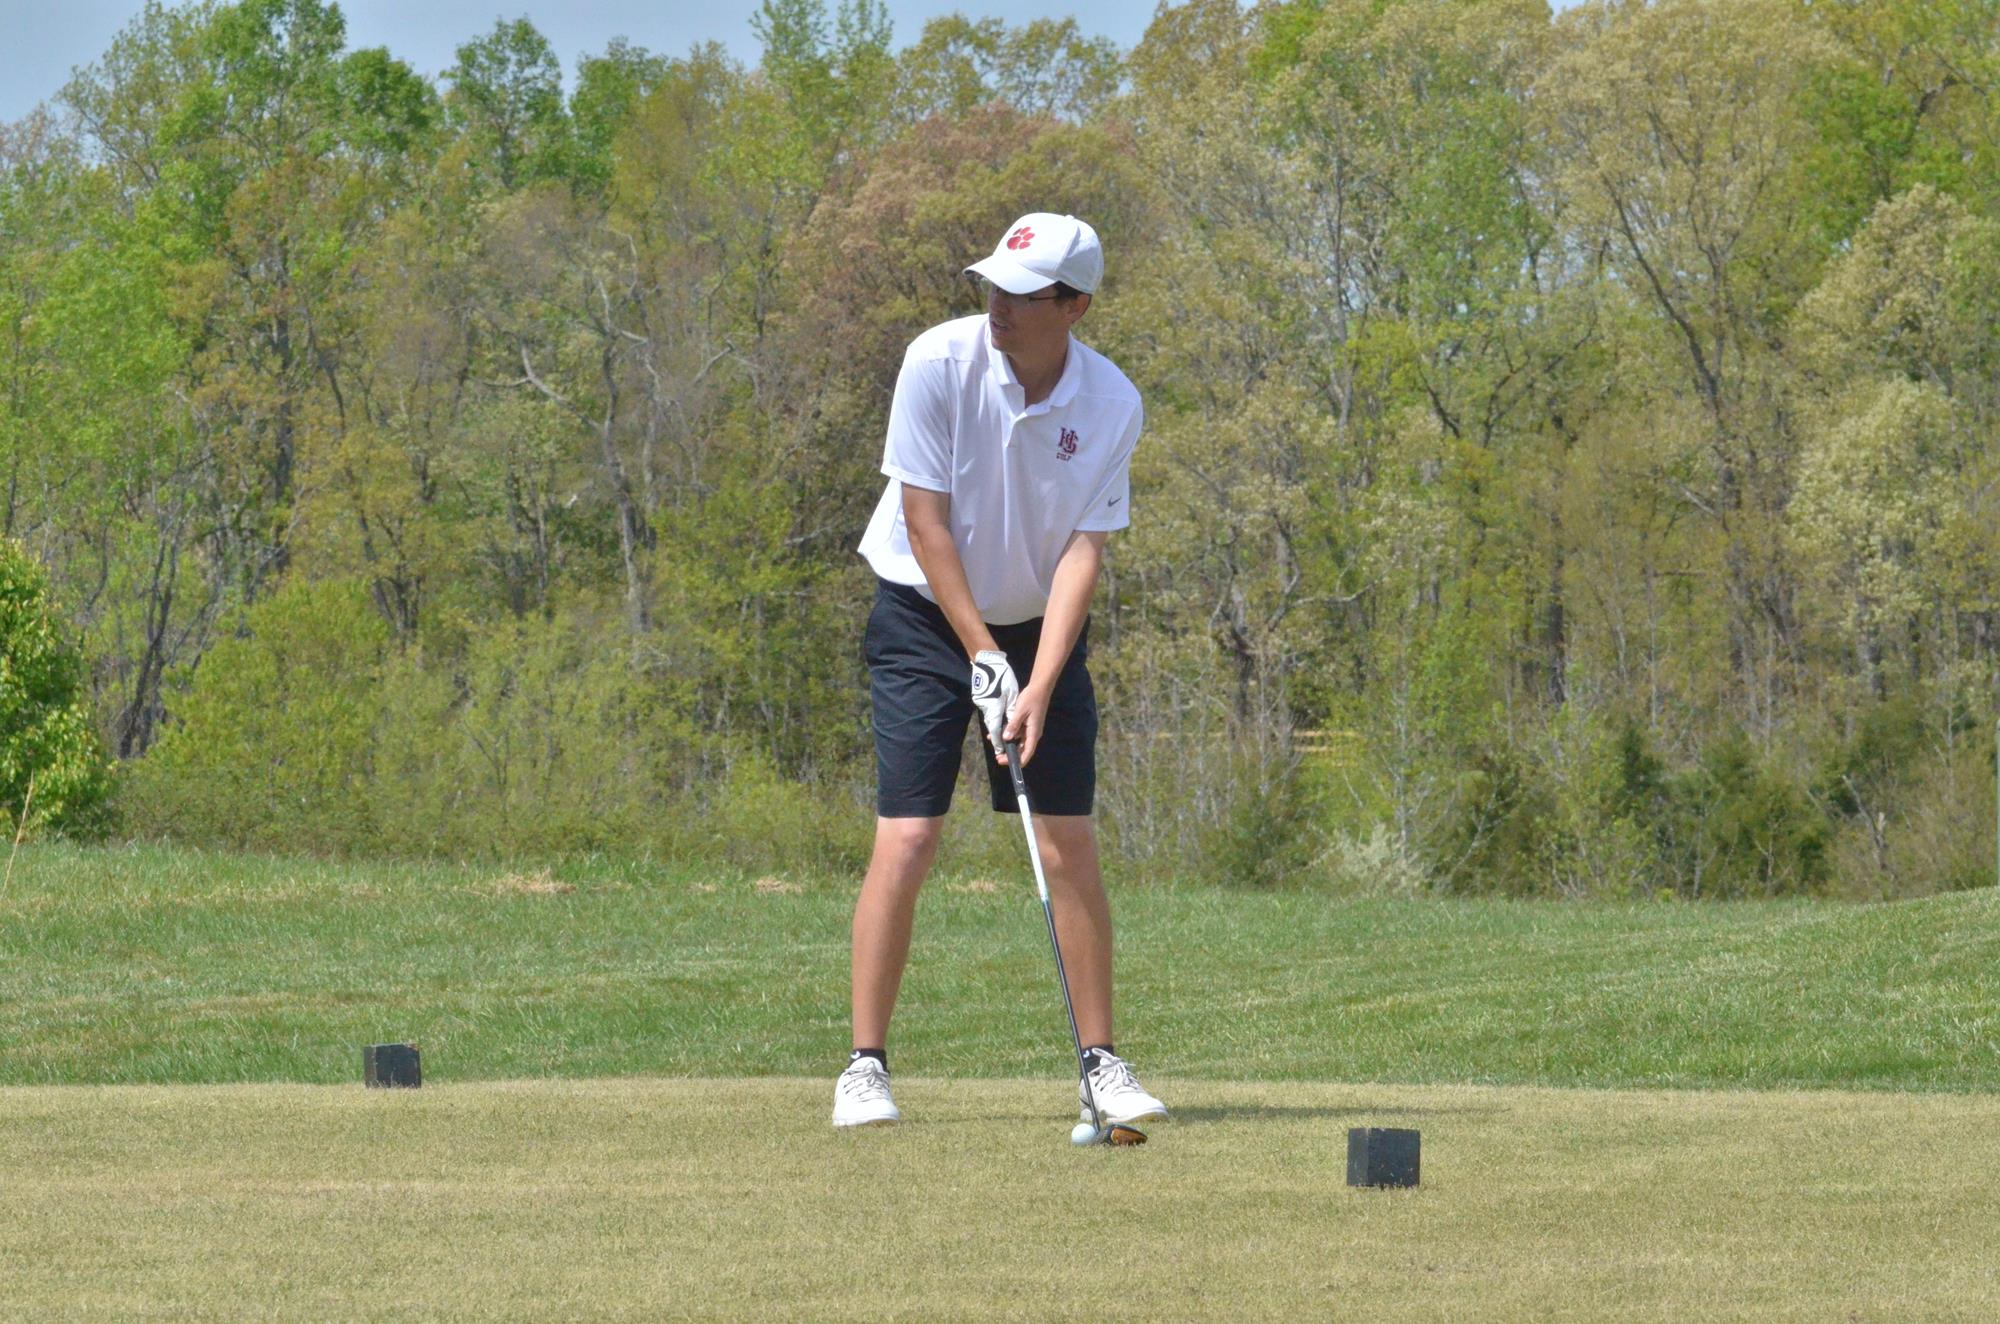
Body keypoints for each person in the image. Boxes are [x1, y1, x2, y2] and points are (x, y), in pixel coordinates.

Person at [833, 212, 1167, 1130]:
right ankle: (865, 1067)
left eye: (1023, 295)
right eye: (993, 286)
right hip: (920, 613)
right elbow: (926, 525)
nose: (999, 307)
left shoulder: (1113, 404)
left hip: (1038, 624)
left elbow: (1082, 555)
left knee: (1066, 839)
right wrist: (980, 653)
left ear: (1076, 306)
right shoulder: (937, 362)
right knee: (909, 837)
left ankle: (1101, 1062)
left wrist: (1041, 677)